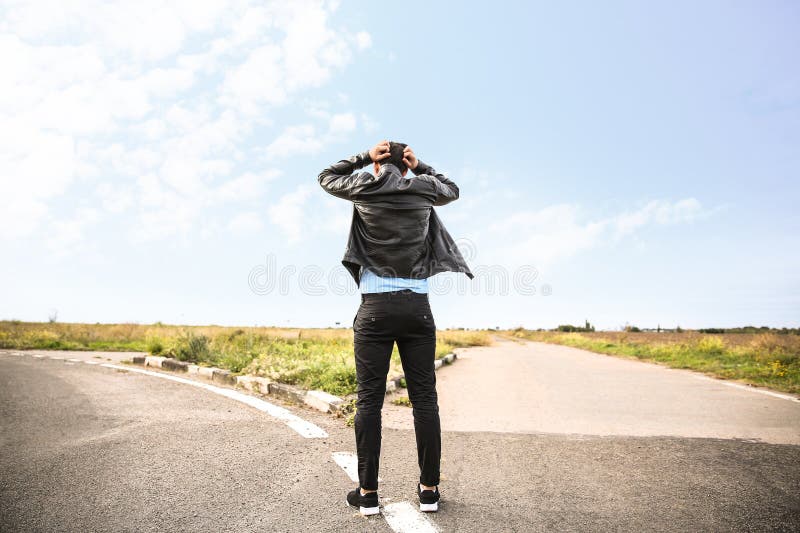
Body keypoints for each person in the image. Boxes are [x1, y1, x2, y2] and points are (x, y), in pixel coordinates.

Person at [317, 140, 473, 516]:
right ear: (405, 166)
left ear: (377, 165)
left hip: (374, 310)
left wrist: (362, 158)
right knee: (425, 400)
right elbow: (452, 189)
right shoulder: (423, 188)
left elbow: (326, 177)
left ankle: (368, 493)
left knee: (369, 400)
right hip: (417, 309)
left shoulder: (365, 186)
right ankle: (429, 491)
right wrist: (420, 167)